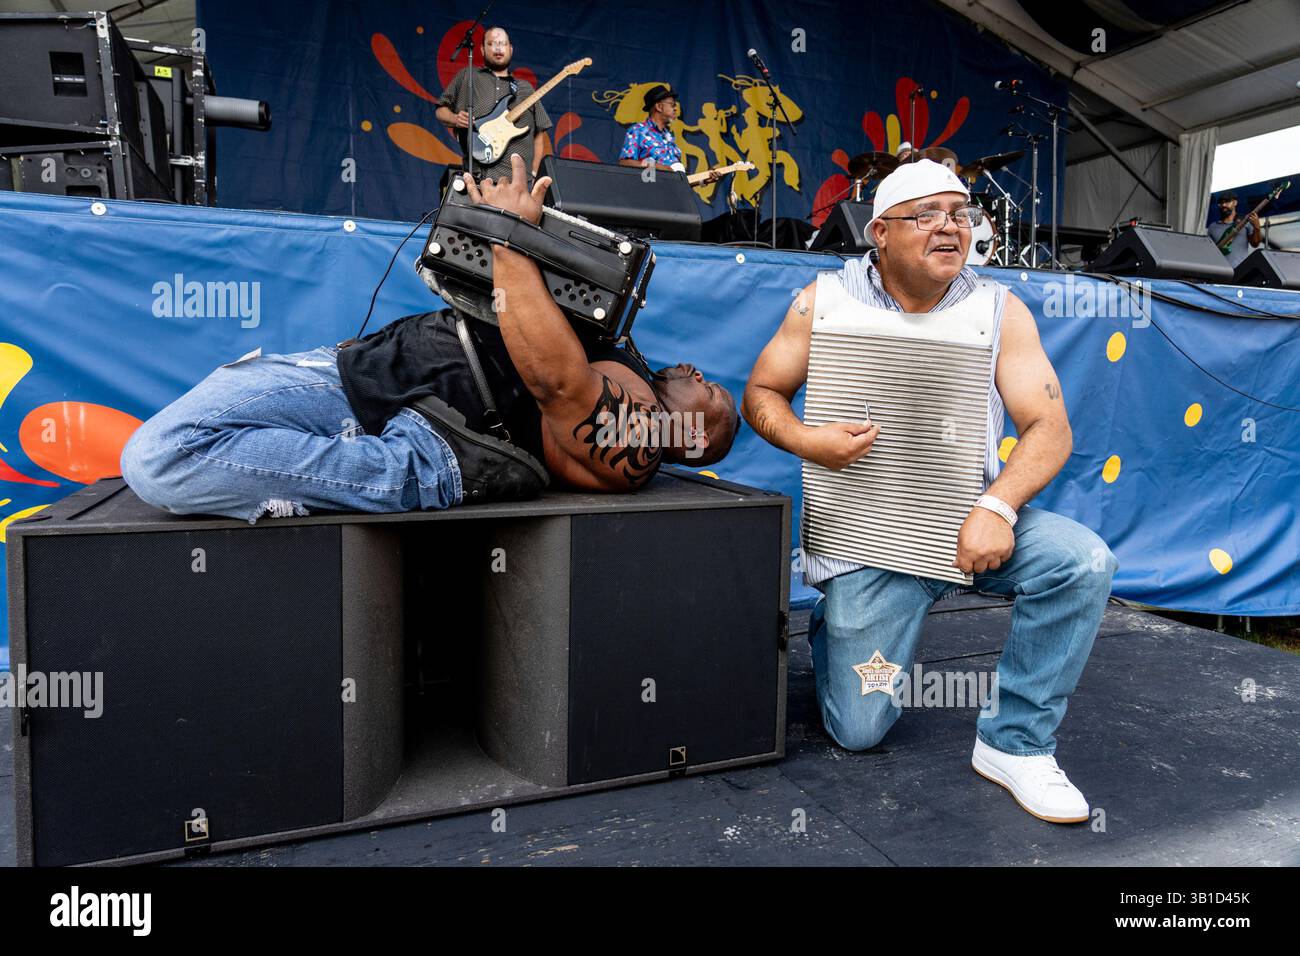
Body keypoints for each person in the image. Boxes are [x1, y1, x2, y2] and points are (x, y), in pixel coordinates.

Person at [742, 159, 1118, 825]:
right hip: (871, 544)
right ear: (879, 232)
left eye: (961, 213)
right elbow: (761, 394)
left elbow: (1050, 429)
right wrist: (808, 441)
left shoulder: (1000, 311)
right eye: (928, 214)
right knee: (858, 729)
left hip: (969, 527)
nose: (951, 226)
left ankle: (1016, 743)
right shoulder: (821, 301)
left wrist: (996, 507)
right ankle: (847, 624)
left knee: (1082, 561)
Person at [121, 155, 740, 523]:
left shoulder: (642, 444)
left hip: (425, 438)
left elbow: (556, 382)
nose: (699, 373)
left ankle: (300, 496)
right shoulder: (629, 365)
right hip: (367, 371)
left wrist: (507, 235)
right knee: (172, 445)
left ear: (696, 438)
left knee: (159, 457)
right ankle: (291, 488)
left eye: (712, 394)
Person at [435, 26, 552, 184]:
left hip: (519, 185)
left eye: (502, 43)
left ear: (510, 49)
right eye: (491, 44)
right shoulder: (467, 75)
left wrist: (533, 172)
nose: (498, 48)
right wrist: (455, 119)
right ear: (482, 50)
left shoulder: (525, 88)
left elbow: (539, 134)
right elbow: (440, 110)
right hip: (480, 178)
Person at [618, 84, 719, 183]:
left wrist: (703, 180)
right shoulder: (638, 131)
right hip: (651, 194)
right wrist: (654, 166)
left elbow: (680, 180)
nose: (675, 108)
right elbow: (624, 163)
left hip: (675, 194)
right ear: (659, 106)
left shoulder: (669, 137)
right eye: (672, 104)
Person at [1206, 190, 1262, 270]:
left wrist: (1257, 227)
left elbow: (1255, 244)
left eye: (1227, 202)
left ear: (1235, 202)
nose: (1223, 205)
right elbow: (1209, 252)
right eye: (1221, 203)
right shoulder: (1212, 227)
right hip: (1219, 271)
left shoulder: (1245, 221)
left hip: (1241, 271)